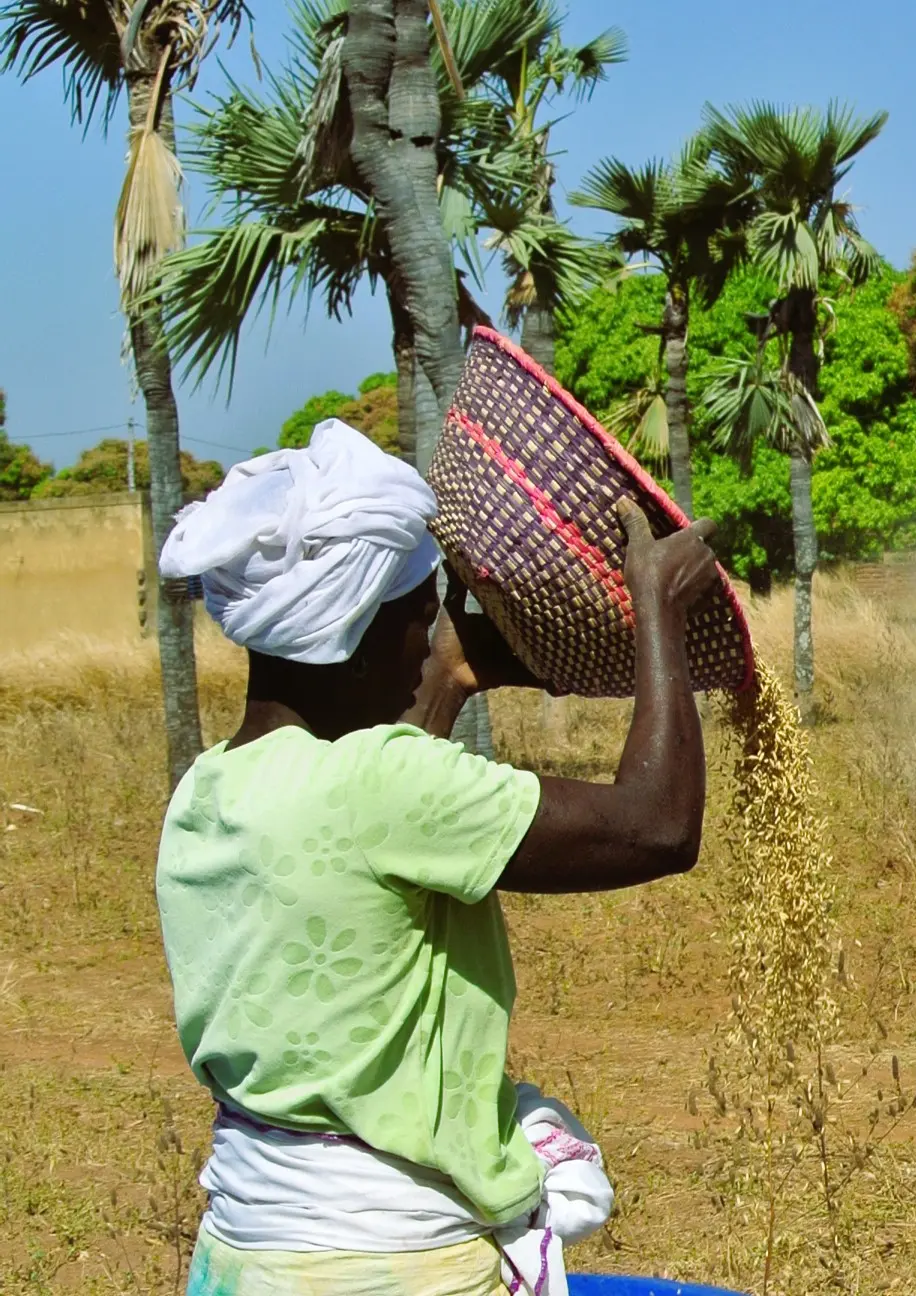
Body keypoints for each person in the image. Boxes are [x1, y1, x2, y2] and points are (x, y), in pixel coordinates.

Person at [153, 419, 723, 1295]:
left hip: (246, 1256)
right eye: (420, 622)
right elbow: (657, 826)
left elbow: (369, 837)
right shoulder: (384, 786)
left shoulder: (210, 790)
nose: (432, 642)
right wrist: (657, 612)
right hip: (390, 1268)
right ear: (351, 631)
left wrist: (455, 678)